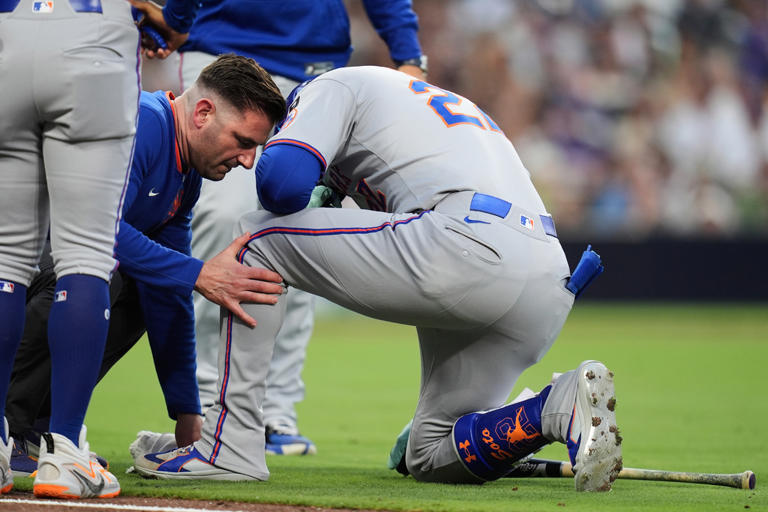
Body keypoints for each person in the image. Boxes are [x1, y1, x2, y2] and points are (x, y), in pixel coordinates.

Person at [131, 66, 623, 491]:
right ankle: (550, 410)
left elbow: (282, 181)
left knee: (255, 241)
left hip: (468, 243)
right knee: (429, 455)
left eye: (258, 141)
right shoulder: (424, 106)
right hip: (546, 278)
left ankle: (229, 445)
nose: (251, 154)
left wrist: (307, 182)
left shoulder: (330, 87)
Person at [135, 0, 428, 456]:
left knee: (301, 230)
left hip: (313, 65)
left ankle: (275, 410)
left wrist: (408, 53)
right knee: (219, 223)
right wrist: (177, 18)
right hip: (222, 48)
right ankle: (213, 403)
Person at [5, 54, 287, 482]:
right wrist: (198, 273)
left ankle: (37, 429)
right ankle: (11, 425)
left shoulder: (185, 172)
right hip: (16, 263)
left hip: (35, 271)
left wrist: (186, 412)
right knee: (100, 268)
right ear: (203, 113)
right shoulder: (140, 125)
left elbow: (170, 297)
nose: (248, 161)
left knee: (147, 281)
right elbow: (95, 228)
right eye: (243, 141)